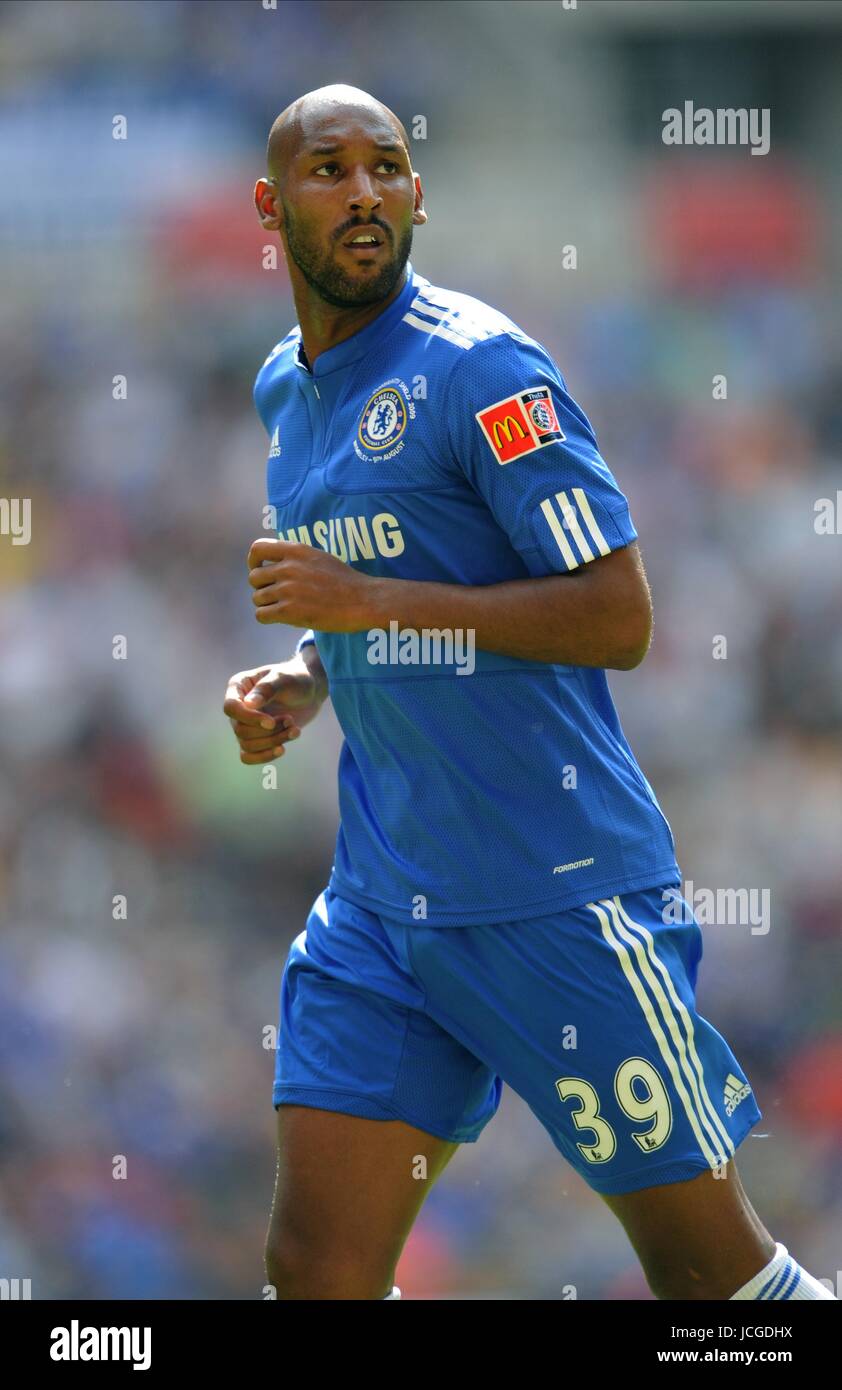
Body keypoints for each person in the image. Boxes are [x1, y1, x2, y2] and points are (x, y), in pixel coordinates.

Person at [223, 84, 834, 1302]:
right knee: (314, 1272)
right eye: (328, 169)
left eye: (385, 168)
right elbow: (387, 602)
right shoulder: (283, 392)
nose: (361, 193)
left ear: (417, 194)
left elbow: (616, 615)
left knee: (712, 1279)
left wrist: (365, 607)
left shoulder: (480, 369)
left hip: (552, 897)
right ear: (268, 204)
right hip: (385, 903)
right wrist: (305, 680)